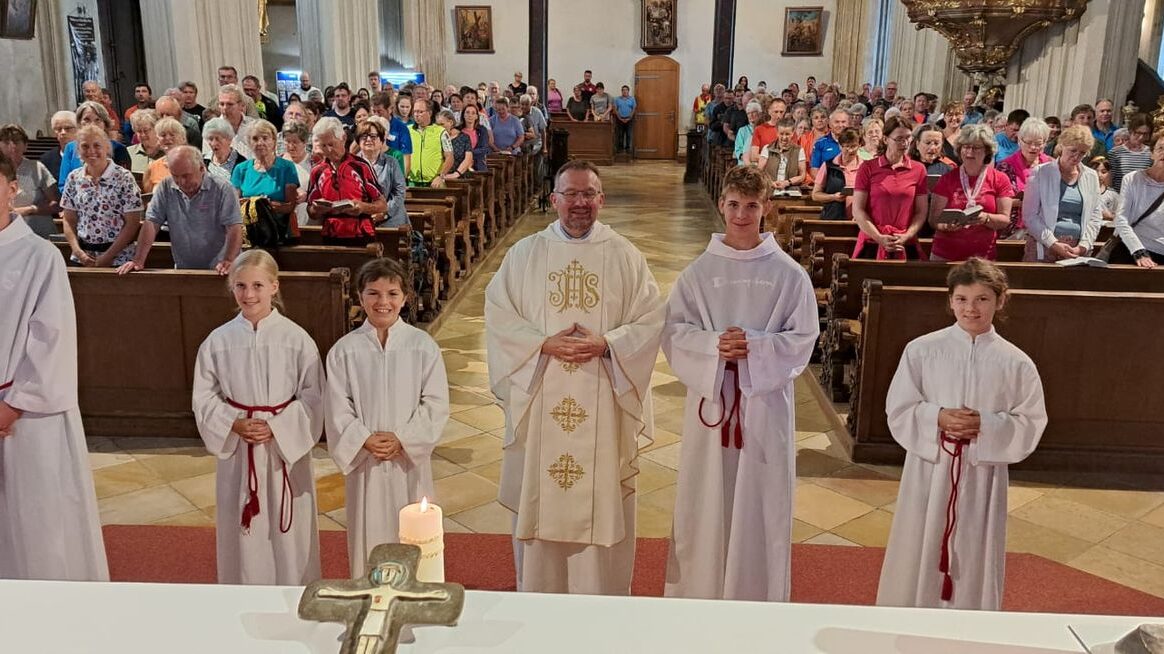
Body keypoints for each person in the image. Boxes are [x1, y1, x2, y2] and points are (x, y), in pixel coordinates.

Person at [485, 159, 664, 595]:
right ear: (553, 201)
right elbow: (498, 315)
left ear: (601, 199)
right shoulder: (525, 254)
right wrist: (541, 343)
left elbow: (650, 320)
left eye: (588, 195)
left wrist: (609, 343)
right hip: (542, 391)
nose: (579, 204)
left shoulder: (624, 255)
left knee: (600, 493)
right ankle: (540, 594)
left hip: (603, 391)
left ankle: (598, 597)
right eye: (571, 194)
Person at [661, 165, 816, 602]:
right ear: (722, 203)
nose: (742, 214)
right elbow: (673, 331)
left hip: (764, 408)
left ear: (766, 207)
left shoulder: (789, 275)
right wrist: (714, 345)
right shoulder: (699, 273)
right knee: (705, 496)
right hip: (711, 408)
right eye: (733, 204)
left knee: (760, 499)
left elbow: (803, 339)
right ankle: (700, 590)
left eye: (751, 206)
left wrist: (755, 347)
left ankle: (756, 595)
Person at [877, 259, 1047, 611]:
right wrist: (936, 416)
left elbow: (1031, 421)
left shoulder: (1015, 363)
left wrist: (985, 423)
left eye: (982, 299)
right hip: (930, 468)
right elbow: (899, 407)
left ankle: (968, 617)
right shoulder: (922, 350)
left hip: (980, 472)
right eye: (962, 299)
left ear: (1001, 301)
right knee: (919, 541)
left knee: (973, 545)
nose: (971, 308)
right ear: (950, 301)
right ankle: (910, 612)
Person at [0, 154, 109, 581]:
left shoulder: (39, 256)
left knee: (39, 528)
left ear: (13, 189)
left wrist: (12, 406)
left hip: (26, 415)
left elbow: (52, 337)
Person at [193, 249, 323, 585]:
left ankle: (294, 588)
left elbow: (313, 395)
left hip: (283, 452)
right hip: (240, 448)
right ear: (231, 288)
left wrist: (278, 427)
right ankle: (242, 589)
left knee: (288, 528)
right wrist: (233, 423)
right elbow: (204, 396)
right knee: (243, 527)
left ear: (274, 287)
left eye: (257, 286)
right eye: (240, 286)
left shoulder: (297, 339)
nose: (249, 294)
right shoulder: (218, 341)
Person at [324, 258, 450, 578]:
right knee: (370, 535)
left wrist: (403, 439)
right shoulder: (345, 351)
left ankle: (413, 598)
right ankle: (370, 595)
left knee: (412, 536)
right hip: (366, 461)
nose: (383, 302)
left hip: (408, 461)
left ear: (405, 297)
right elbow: (337, 405)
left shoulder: (422, 346)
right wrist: (363, 438)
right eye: (373, 293)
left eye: (392, 293)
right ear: (359, 297)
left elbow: (435, 403)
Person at [118, 146, 243, 274]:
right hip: (185, 268)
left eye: (186, 176)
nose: (181, 182)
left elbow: (234, 227)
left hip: (221, 269)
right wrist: (138, 260)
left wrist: (229, 260)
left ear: (201, 168)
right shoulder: (166, 186)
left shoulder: (223, 188)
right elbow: (151, 222)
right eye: (175, 176)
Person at [59, 125, 143, 267]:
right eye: (85, 146)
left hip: (118, 258)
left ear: (107, 147)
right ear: (78, 150)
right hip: (84, 256)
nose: (91, 151)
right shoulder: (74, 178)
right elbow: (69, 219)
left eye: (97, 145)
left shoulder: (124, 177)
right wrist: (78, 251)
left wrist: (108, 256)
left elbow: (132, 223)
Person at [929, 125, 1015, 261]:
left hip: (982, 256)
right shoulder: (947, 178)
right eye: (966, 147)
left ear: (987, 150)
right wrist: (946, 226)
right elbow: (934, 219)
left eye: (976, 148)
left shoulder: (999, 179)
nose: (969, 152)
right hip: (945, 255)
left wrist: (986, 218)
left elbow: (1005, 219)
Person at [1021, 126, 1104, 262]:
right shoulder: (1041, 172)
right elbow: (1030, 216)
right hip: (1044, 243)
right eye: (1073, 150)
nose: (1077, 156)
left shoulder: (1091, 176)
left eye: (1082, 153)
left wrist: (1083, 246)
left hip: (1077, 247)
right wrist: (1052, 243)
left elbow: (1095, 215)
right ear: (1062, 146)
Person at [852, 116, 929, 260]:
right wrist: (879, 237)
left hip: (905, 241)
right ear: (886, 139)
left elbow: (921, 211)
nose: (905, 143)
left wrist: (907, 235)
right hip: (873, 240)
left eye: (908, 138)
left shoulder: (918, 169)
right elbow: (858, 209)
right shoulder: (868, 168)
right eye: (899, 139)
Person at [307, 117, 386, 244]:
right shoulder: (317, 171)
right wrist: (316, 210)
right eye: (323, 145)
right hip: (330, 234)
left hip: (362, 234)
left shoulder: (361, 166)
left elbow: (382, 205)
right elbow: (311, 211)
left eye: (331, 144)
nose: (328, 150)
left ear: (343, 138)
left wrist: (362, 207)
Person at [230, 119, 299, 240]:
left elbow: (290, 205)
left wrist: (264, 206)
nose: (260, 143)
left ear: (273, 141)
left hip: (280, 232)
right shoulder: (240, 169)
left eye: (265, 138)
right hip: (250, 232)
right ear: (249, 142)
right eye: (255, 139)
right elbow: (234, 204)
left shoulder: (287, 167)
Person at [1111, 131, 1164, 268]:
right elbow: (1121, 219)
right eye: (1161, 148)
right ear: (1152, 153)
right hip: (1132, 250)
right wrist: (1138, 251)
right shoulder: (1133, 179)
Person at [995, 118, 1052, 240]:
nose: (1033, 147)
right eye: (1028, 142)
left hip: (1044, 226)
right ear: (1020, 141)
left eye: (1038, 143)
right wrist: (1026, 202)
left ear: (1045, 143)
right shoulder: (1005, 166)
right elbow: (997, 201)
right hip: (1012, 227)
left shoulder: (1051, 165)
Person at [57, 102, 132, 193]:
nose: (92, 124)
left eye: (97, 120)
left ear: (105, 124)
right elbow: (63, 184)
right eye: (87, 120)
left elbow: (123, 183)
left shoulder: (119, 149)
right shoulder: (70, 148)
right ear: (79, 123)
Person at [0, 125, 59, 238]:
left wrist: (30, 209)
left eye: (17, 142)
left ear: (25, 146)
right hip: (8, 235)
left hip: (39, 232)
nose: (12, 146)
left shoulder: (37, 168)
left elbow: (56, 204)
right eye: (6, 142)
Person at [355, 120, 408, 228]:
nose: (368, 139)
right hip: (360, 220)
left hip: (391, 220)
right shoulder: (351, 164)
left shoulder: (392, 163)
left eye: (373, 136)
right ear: (358, 141)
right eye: (364, 137)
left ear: (381, 141)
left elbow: (399, 192)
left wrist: (384, 212)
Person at [811, 127, 862, 220]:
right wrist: (833, 197)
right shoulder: (828, 166)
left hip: (858, 221)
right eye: (846, 146)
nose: (850, 150)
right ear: (840, 146)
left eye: (853, 146)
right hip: (833, 218)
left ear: (859, 145)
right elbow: (815, 195)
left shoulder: (865, 167)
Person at [408, 100, 453, 186]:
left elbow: (450, 157)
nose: (417, 115)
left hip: (434, 183)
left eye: (420, 112)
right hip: (411, 182)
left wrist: (441, 176)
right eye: (415, 111)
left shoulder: (441, 132)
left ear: (429, 113)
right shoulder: (407, 130)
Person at [1108, 113, 1153, 193]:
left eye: (1145, 134)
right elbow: (1110, 180)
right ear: (1131, 130)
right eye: (1138, 133)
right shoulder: (1115, 152)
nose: (1141, 137)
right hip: (1119, 196)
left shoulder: (1150, 153)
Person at [142, 117, 187, 194]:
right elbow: (149, 198)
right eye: (163, 135)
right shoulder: (153, 167)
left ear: (183, 138)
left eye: (172, 134)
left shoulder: (194, 164)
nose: (168, 138)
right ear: (158, 140)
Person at [758, 118, 806, 192]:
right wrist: (770, 183)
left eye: (787, 134)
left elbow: (802, 175)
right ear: (777, 132)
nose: (784, 137)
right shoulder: (767, 148)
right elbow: (759, 172)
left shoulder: (799, 150)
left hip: (791, 189)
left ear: (793, 133)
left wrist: (787, 182)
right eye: (781, 134)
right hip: (770, 188)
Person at [281, 121, 313, 227]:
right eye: (287, 141)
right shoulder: (277, 162)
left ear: (304, 142)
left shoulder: (314, 161)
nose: (291, 146)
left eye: (295, 142)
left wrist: (307, 196)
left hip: (307, 215)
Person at [203, 117, 247, 182]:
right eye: (210, 139)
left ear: (229, 139)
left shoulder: (243, 164)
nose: (214, 143)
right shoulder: (202, 161)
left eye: (218, 139)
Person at [809, 110, 850, 177]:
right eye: (837, 122)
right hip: (827, 183)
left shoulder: (856, 142)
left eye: (843, 122)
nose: (840, 125)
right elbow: (814, 170)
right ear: (830, 124)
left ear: (848, 124)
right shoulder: (820, 143)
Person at [749, 97, 788, 163]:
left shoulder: (790, 130)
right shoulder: (759, 129)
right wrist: (775, 160)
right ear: (769, 111)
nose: (778, 115)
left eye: (781, 112)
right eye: (776, 112)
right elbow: (754, 156)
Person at [126, 110, 162, 175]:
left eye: (146, 130)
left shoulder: (167, 152)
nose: (143, 135)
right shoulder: (128, 152)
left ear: (156, 129)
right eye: (139, 131)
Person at [461, 104, 492, 173]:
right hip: (460, 163)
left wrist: (469, 154)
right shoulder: (457, 130)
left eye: (473, 113)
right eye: (467, 112)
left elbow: (484, 149)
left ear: (476, 116)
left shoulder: (482, 130)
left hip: (478, 163)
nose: (470, 115)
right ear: (463, 115)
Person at [1089, 156, 1120, 222]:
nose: (1099, 175)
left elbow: (1122, 217)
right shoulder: (1084, 191)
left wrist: (1110, 216)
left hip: (1107, 230)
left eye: (1103, 172)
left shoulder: (1112, 194)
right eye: (1096, 171)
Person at [613, 85, 637, 154]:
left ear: (628, 91)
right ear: (621, 91)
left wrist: (629, 118)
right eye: (623, 90)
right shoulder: (617, 99)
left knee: (629, 134)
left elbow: (634, 109)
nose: (624, 91)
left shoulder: (632, 99)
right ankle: (620, 148)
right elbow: (615, 109)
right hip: (620, 119)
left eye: (626, 90)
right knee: (620, 134)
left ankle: (628, 148)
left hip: (629, 119)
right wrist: (620, 118)